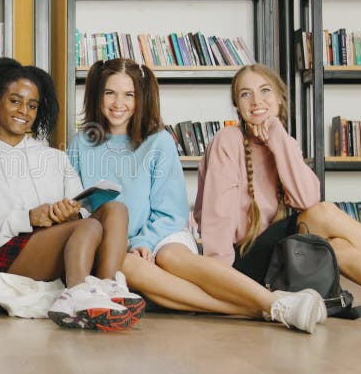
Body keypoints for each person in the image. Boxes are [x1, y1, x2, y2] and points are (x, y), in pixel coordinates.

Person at [68, 58, 326, 333]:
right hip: (115, 243)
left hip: (162, 233)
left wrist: (145, 240)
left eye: (128, 95)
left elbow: (171, 212)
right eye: (110, 93)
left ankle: (272, 304)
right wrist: (125, 244)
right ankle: (271, 306)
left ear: (140, 98)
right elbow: (75, 205)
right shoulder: (80, 144)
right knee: (127, 264)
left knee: (171, 257)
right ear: (98, 95)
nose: (119, 103)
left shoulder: (159, 141)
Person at [196, 63, 361, 314]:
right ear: (237, 105)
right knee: (323, 213)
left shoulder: (284, 142)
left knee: (339, 249)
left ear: (280, 99)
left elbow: (306, 198)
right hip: (240, 266)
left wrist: (277, 138)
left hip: (280, 256)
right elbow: (217, 219)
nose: (256, 100)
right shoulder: (227, 141)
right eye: (245, 94)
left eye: (265, 91)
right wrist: (218, 283)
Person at [0, 57, 142, 332]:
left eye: (32, 105)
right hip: (6, 253)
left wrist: (72, 211)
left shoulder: (55, 158)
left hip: (64, 241)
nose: (24, 110)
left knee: (115, 209)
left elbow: (81, 208)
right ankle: (76, 293)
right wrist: (27, 218)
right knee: (88, 225)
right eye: (15, 101)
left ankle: (106, 288)